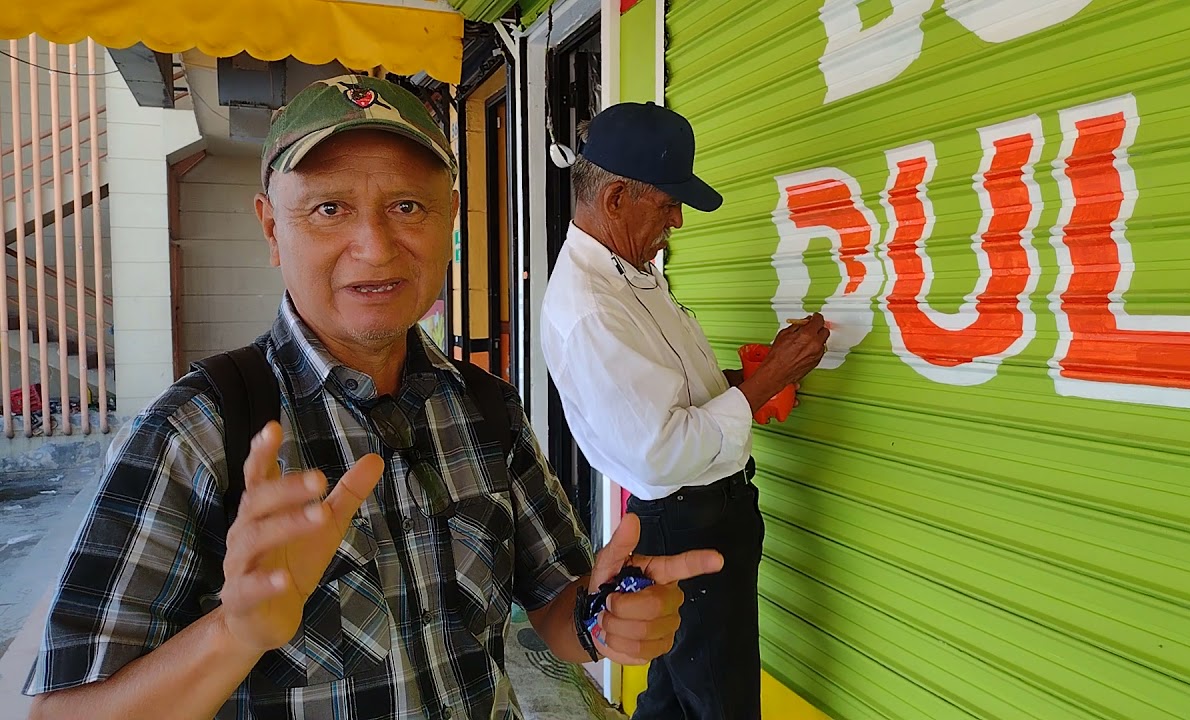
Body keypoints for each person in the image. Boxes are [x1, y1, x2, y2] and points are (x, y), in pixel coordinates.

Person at [23, 76, 722, 720]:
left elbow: (557, 607)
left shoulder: (487, 408)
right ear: (272, 226)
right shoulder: (200, 432)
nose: (375, 247)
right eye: (329, 208)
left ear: (450, 216)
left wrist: (606, 618)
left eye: (407, 206)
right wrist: (233, 632)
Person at [540, 101, 829, 720]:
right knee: (720, 699)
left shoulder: (630, 271)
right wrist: (770, 378)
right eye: (668, 202)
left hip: (706, 510)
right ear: (615, 198)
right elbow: (662, 446)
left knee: (676, 690)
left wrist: (744, 380)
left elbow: (666, 390)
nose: (676, 219)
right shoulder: (593, 308)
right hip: (685, 521)